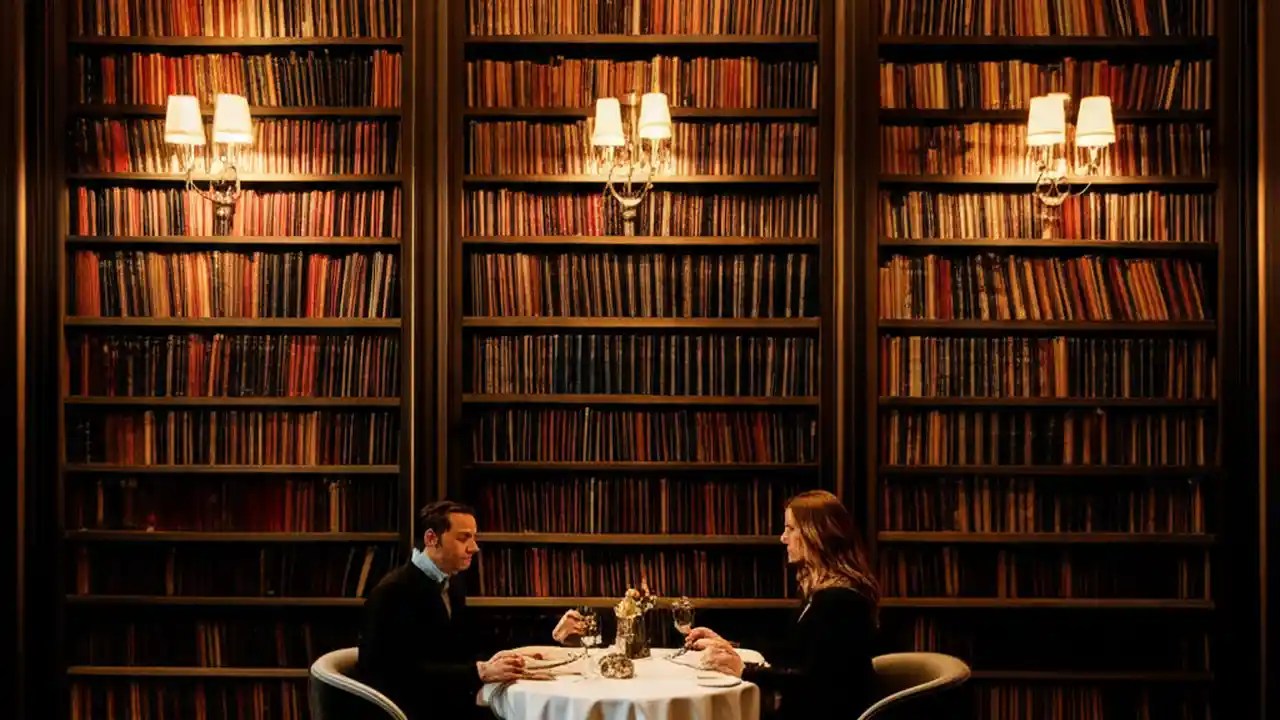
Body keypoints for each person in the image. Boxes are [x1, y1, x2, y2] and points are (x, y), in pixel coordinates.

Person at [356, 500, 582, 719]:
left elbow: (477, 638)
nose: (474, 547)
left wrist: (552, 631)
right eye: (464, 538)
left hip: (450, 701)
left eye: (473, 537)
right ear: (431, 538)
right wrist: (479, 673)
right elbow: (392, 673)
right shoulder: (392, 592)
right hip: (418, 710)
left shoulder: (450, 582)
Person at [684, 490, 879, 720]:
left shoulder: (841, 601)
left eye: (790, 528)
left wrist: (745, 671)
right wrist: (730, 646)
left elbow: (816, 687)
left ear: (815, 534)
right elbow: (792, 654)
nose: (783, 538)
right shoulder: (824, 594)